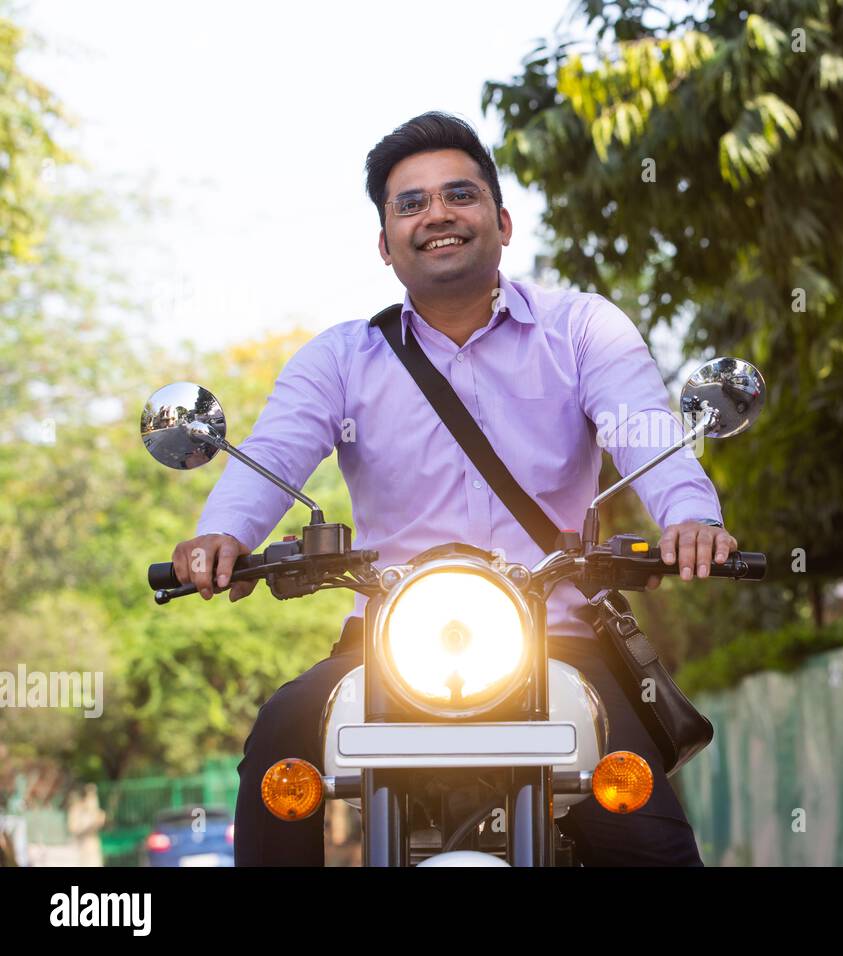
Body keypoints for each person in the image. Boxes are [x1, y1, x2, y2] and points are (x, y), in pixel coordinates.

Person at [169, 111, 739, 866]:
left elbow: (648, 435)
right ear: (385, 243)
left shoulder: (582, 331)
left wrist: (689, 518)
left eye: (459, 195)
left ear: (501, 221)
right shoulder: (340, 359)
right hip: (387, 648)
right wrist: (226, 535)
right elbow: (274, 451)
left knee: (647, 835)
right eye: (411, 203)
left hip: (560, 642)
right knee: (279, 746)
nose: (436, 214)